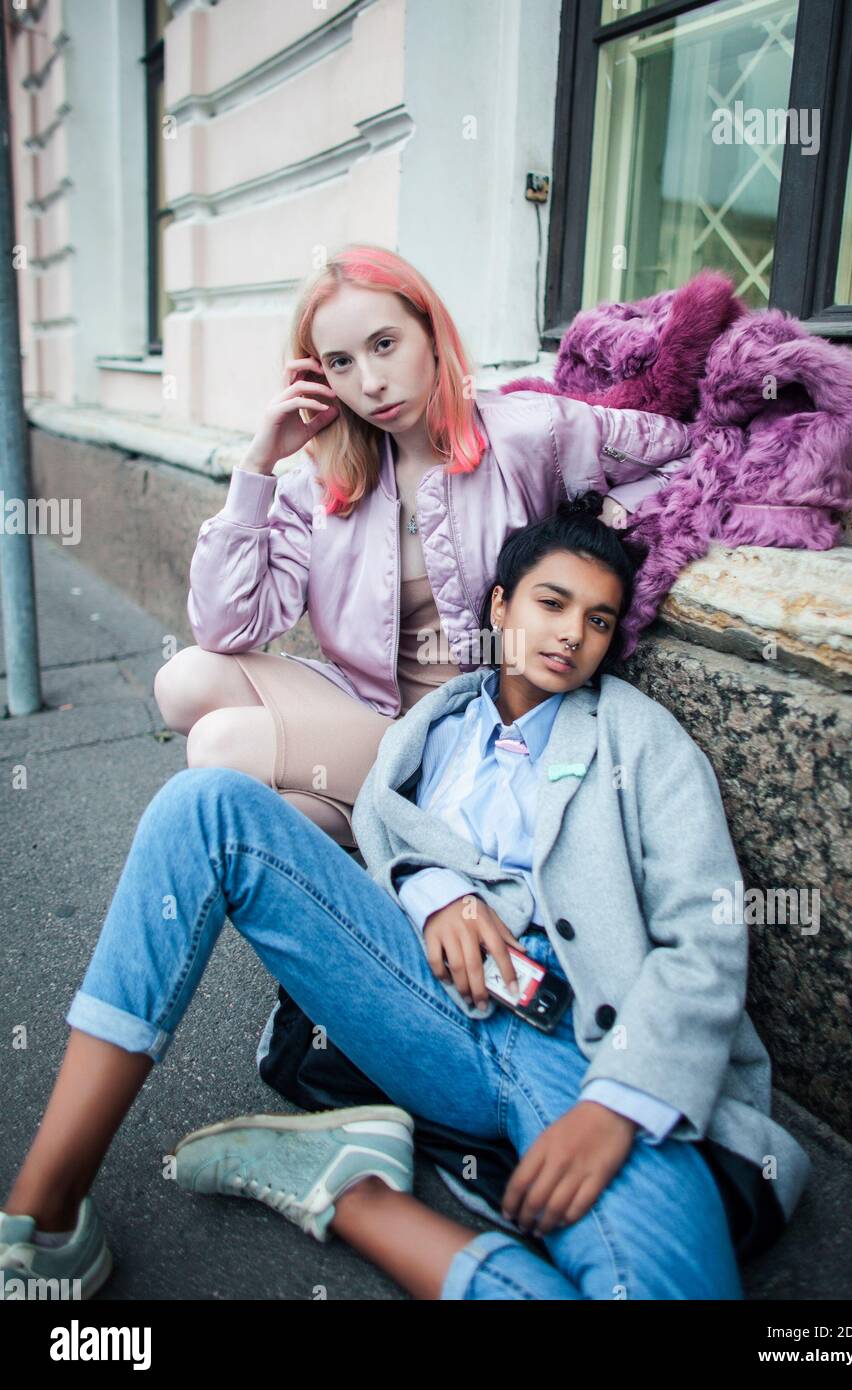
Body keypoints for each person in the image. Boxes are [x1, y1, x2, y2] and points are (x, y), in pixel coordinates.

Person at [0, 492, 809, 1300]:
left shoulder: (639, 739)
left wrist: (621, 1105)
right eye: (552, 602)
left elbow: (704, 935)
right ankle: (47, 1216)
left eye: (598, 620)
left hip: (585, 1047)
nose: (571, 634)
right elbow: (387, 840)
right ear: (500, 604)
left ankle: (355, 1200)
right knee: (204, 806)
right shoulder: (438, 725)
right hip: (428, 1007)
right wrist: (433, 888)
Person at [155, 242, 692, 844]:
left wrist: (616, 514)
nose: (372, 382)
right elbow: (227, 629)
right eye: (340, 363)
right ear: (318, 378)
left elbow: (684, 448)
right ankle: (395, 827)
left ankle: (390, 823)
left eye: (385, 344)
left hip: (465, 720)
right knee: (183, 681)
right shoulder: (323, 482)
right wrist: (257, 467)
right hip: (367, 709)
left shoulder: (532, 431)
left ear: (431, 333)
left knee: (220, 747)